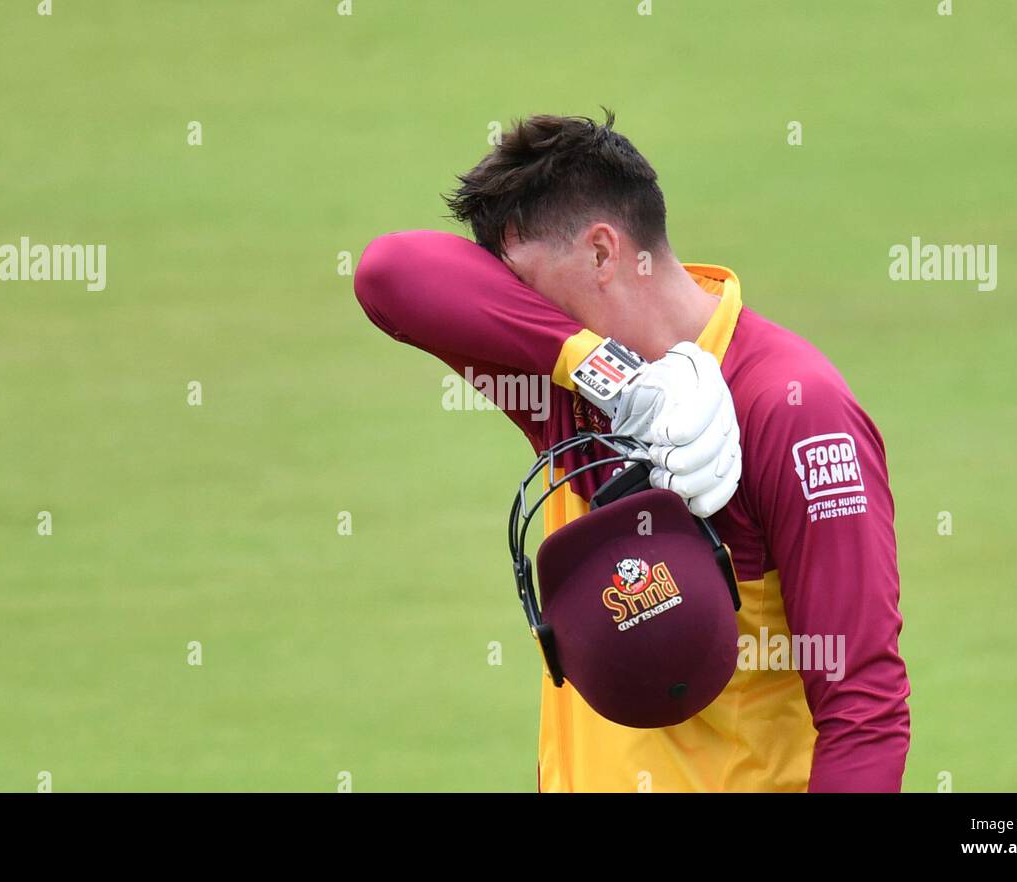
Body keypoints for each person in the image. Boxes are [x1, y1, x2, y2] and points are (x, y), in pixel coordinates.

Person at [354, 111, 910, 792]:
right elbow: (388, 273)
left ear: (600, 253)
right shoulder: (564, 384)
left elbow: (864, 711)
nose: (516, 313)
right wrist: (611, 377)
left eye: (523, 286)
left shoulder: (794, 409)